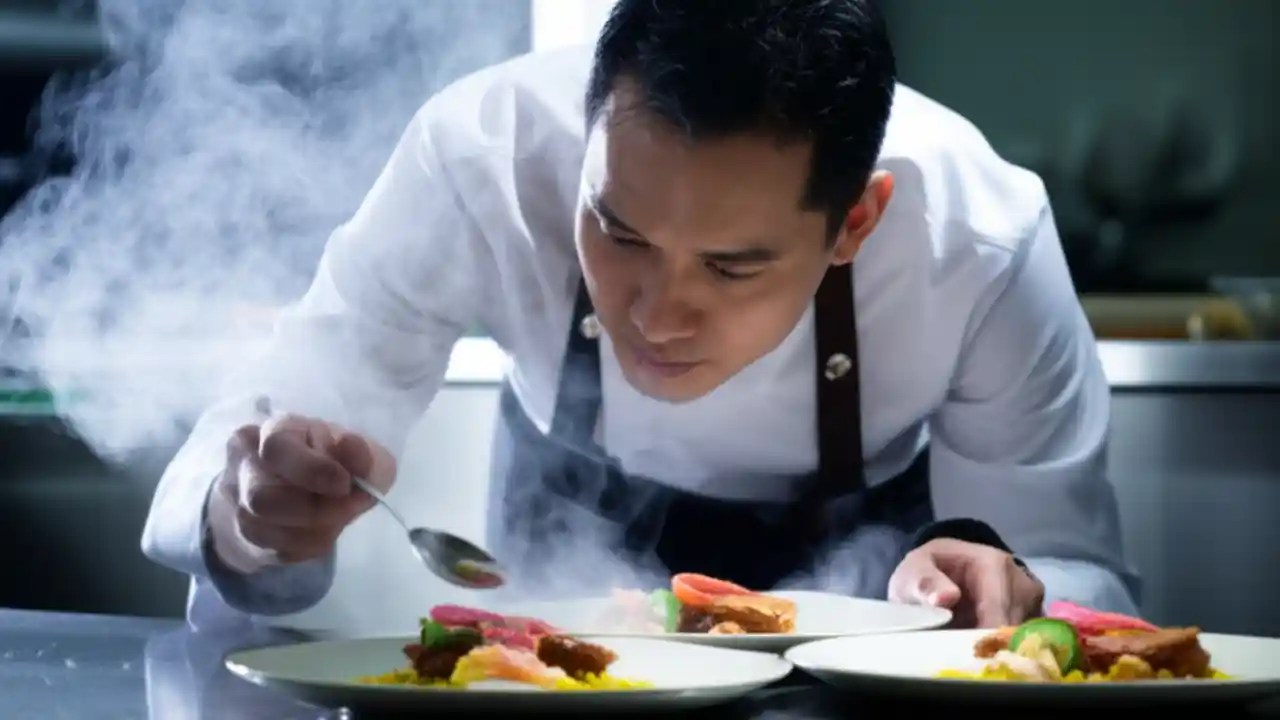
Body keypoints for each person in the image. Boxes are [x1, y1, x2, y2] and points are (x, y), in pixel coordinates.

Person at [141, 0, 1140, 631]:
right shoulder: (480, 155)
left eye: (731, 266)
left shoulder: (979, 238)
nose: (657, 316)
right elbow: (248, 450)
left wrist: (1012, 588)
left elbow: (1073, 569)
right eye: (615, 231)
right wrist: (254, 519)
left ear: (855, 222)